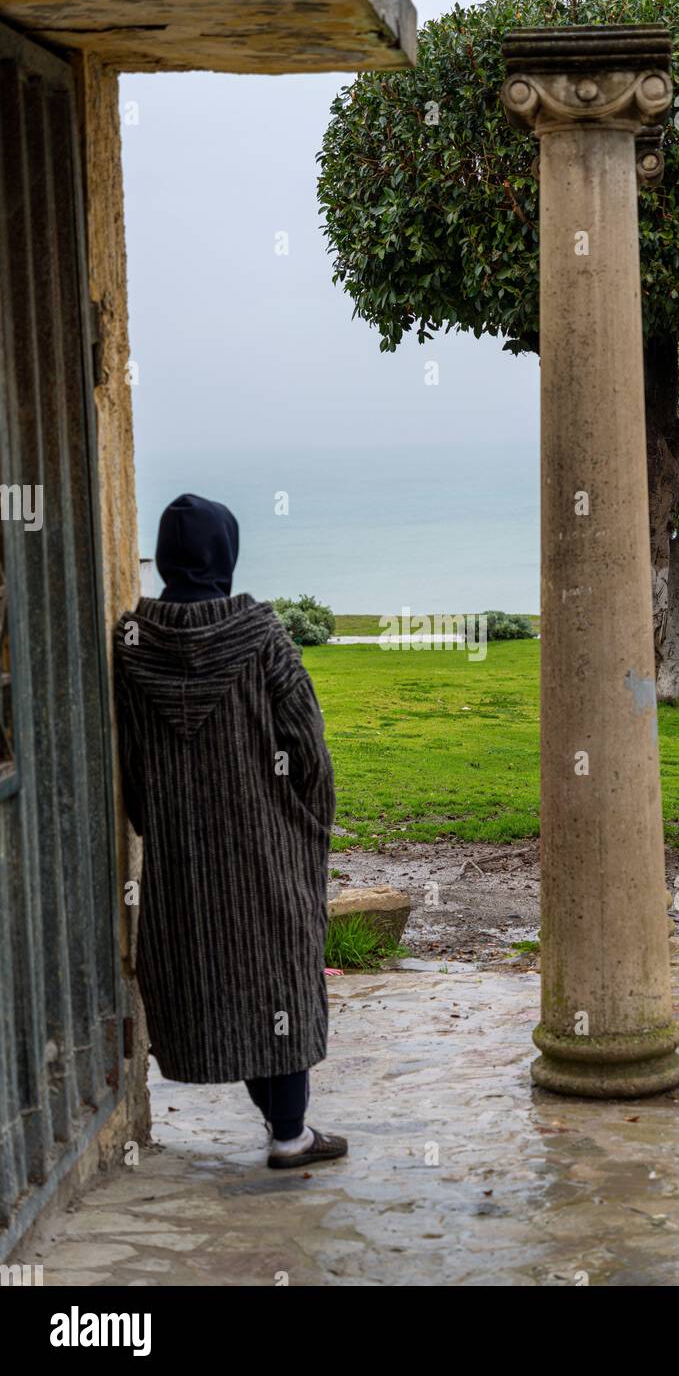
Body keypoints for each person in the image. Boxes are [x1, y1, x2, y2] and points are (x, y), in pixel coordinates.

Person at [113, 493, 347, 1169]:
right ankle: (290, 1134)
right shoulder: (262, 638)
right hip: (264, 845)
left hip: (182, 855)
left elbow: (129, 759)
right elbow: (308, 746)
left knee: (217, 973)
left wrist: (152, 820)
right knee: (276, 974)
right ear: (226, 552)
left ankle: (283, 1128)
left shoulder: (132, 645)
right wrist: (307, 825)